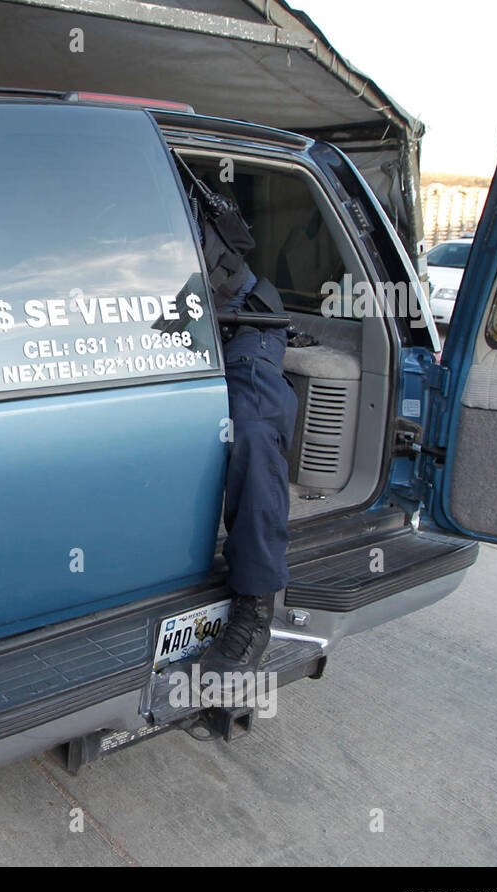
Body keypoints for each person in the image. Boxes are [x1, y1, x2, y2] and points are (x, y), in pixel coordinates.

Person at [179, 162, 298, 681]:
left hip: (239, 320)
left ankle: (255, 606)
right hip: (179, 316)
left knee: (250, 426)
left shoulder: (162, 190)